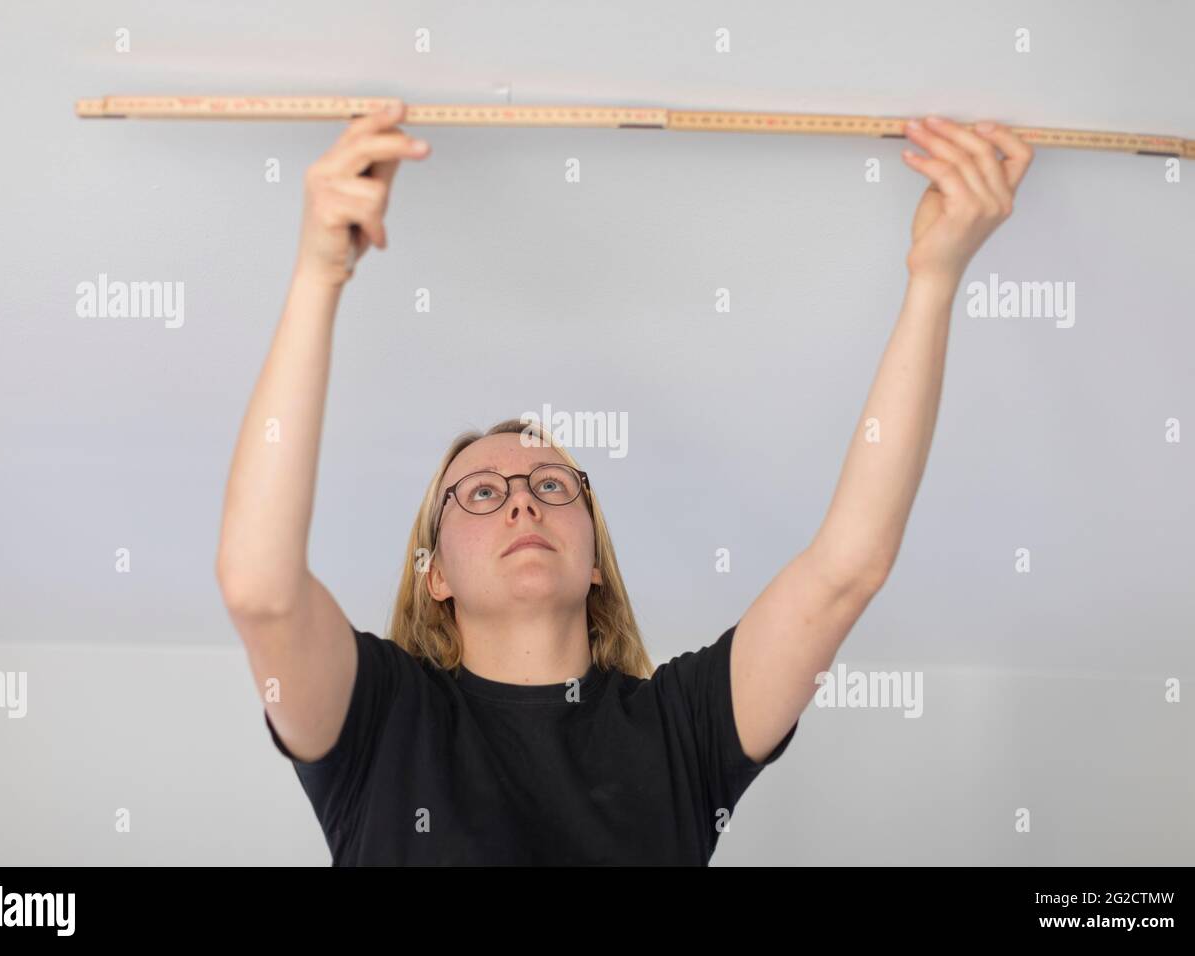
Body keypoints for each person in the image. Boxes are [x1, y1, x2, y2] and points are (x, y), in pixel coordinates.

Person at [215, 100, 1034, 865]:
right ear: (434, 574)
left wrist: (933, 278)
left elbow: (848, 568)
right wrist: (319, 274)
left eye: (554, 485)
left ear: (595, 559)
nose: (524, 498)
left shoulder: (683, 730)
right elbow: (260, 587)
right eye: (481, 494)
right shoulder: (382, 723)